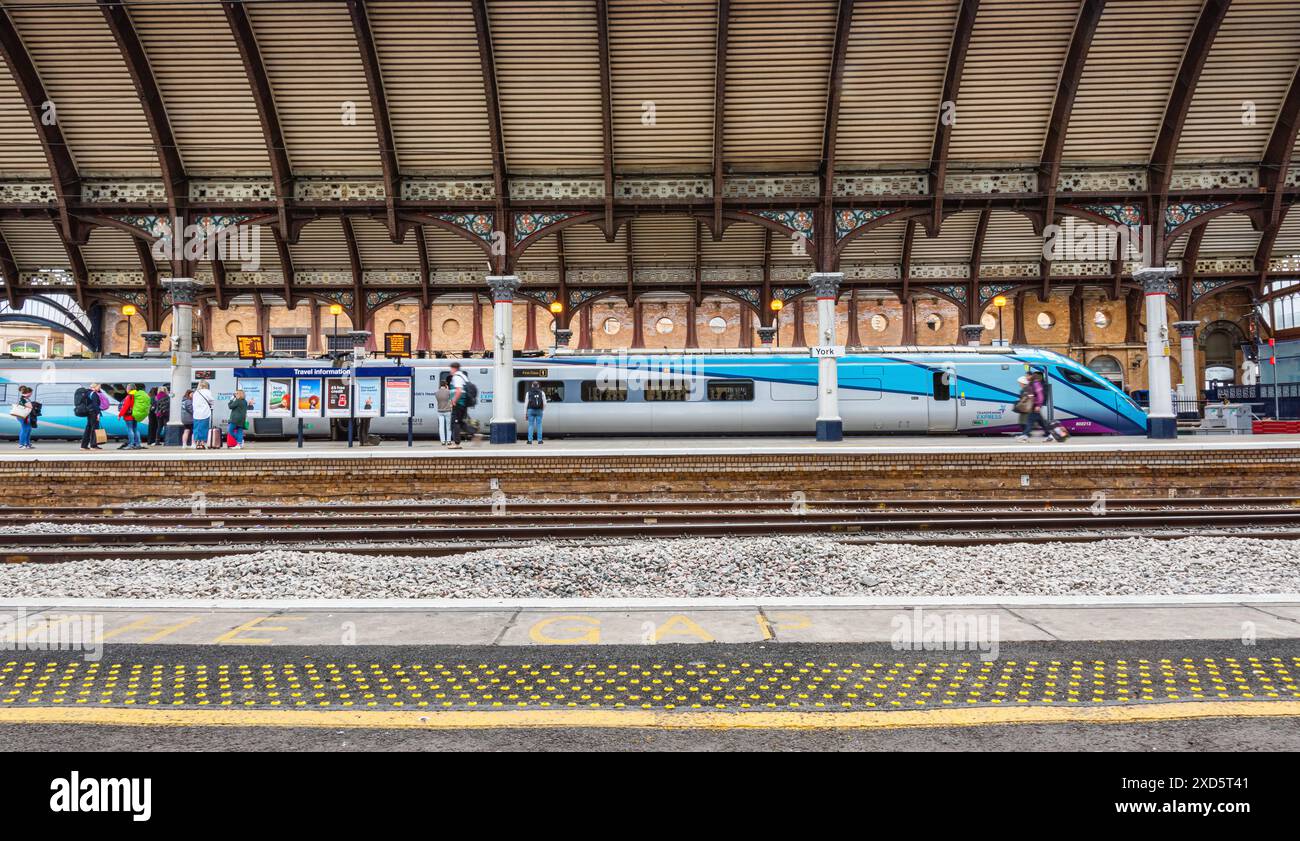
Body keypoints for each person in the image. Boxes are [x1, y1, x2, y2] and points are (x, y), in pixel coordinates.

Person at [1014, 372, 1052, 442]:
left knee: (1030, 421)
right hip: (1034, 405)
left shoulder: (1036, 384)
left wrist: (1038, 405)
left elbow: (1040, 396)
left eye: (1027, 376)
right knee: (1041, 422)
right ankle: (1051, 435)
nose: (1026, 377)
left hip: (1035, 405)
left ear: (1031, 376)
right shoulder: (1031, 383)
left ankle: (1024, 435)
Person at [448, 362, 472, 449]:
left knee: (455, 423)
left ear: (454, 368)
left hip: (459, 403)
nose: (450, 371)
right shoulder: (463, 376)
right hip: (463, 403)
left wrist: (454, 401)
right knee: (460, 422)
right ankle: (475, 434)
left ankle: (456, 443)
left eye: (451, 369)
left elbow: (459, 390)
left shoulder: (457, 377)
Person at [78, 383, 104, 451]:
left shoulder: (87, 393)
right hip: (94, 413)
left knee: (88, 429)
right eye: (99, 387)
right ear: (95, 386)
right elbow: (95, 404)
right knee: (94, 429)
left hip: (88, 412)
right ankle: (93, 445)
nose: (100, 388)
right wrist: (98, 413)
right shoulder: (94, 394)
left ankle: (83, 446)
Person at [192, 380, 213, 449]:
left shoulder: (195, 393)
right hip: (205, 413)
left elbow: (193, 403)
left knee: (196, 428)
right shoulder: (207, 392)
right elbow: (212, 401)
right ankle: (203, 443)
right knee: (204, 428)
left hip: (196, 413)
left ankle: (197, 442)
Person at [525, 380, 546, 445]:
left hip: (530, 410)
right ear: (538, 386)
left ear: (532, 386)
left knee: (530, 425)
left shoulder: (528, 393)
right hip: (539, 410)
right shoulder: (542, 393)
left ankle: (530, 440)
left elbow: (526, 404)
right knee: (539, 425)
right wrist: (542, 410)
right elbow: (545, 403)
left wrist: (525, 413)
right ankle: (540, 440)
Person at [435, 379, 453, 446]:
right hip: (448, 411)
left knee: (441, 427)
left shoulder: (436, 392)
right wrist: (447, 389)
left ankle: (443, 441)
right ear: (446, 385)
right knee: (448, 427)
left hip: (440, 411)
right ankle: (448, 441)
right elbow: (451, 399)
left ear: (440, 385)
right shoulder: (448, 392)